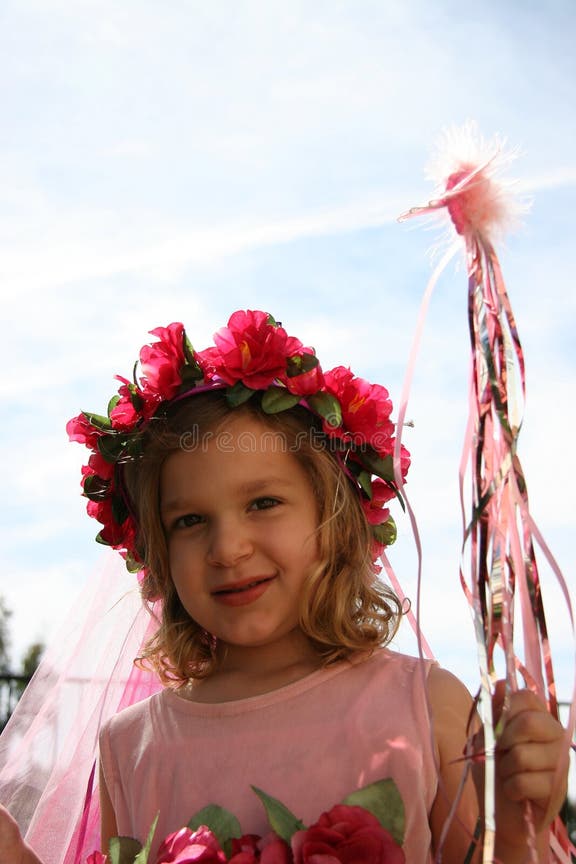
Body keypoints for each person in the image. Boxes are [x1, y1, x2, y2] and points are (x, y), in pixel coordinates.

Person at [0, 311, 568, 864]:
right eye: (190, 521)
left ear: (333, 519)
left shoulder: (426, 708)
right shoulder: (130, 748)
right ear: (158, 552)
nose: (227, 548)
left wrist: (518, 832)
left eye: (263, 503)